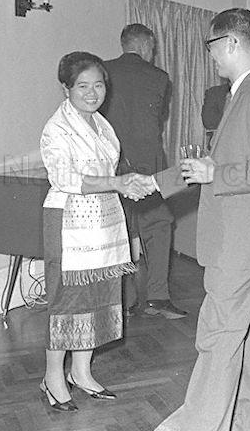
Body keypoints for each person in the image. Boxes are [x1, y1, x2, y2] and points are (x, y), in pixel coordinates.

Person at [153, 8, 250, 431]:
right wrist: (157, 183)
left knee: (218, 340)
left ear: (231, 42)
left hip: (239, 245)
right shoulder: (240, 93)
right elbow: (223, 162)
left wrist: (216, 174)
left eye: (211, 46)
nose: (210, 54)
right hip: (244, 243)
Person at [39, 51, 155, 411]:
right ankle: (52, 377)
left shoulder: (103, 125)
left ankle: (81, 372)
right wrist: (117, 182)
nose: (92, 93)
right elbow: (65, 178)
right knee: (67, 300)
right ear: (66, 88)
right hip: (68, 222)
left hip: (104, 222)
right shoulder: (56, 128)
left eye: (99, 85)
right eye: (83, 86)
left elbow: (111, 173)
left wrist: (128, 184)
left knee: (98, 297)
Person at [101, 24, 187, 320]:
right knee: (159, 225)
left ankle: (122, 302)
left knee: (118, 230)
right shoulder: (159, 77)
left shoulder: (103, 72)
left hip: (111, 167)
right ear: (146, 46)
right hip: (149, 165)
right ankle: (157, 299)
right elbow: (158, 119)